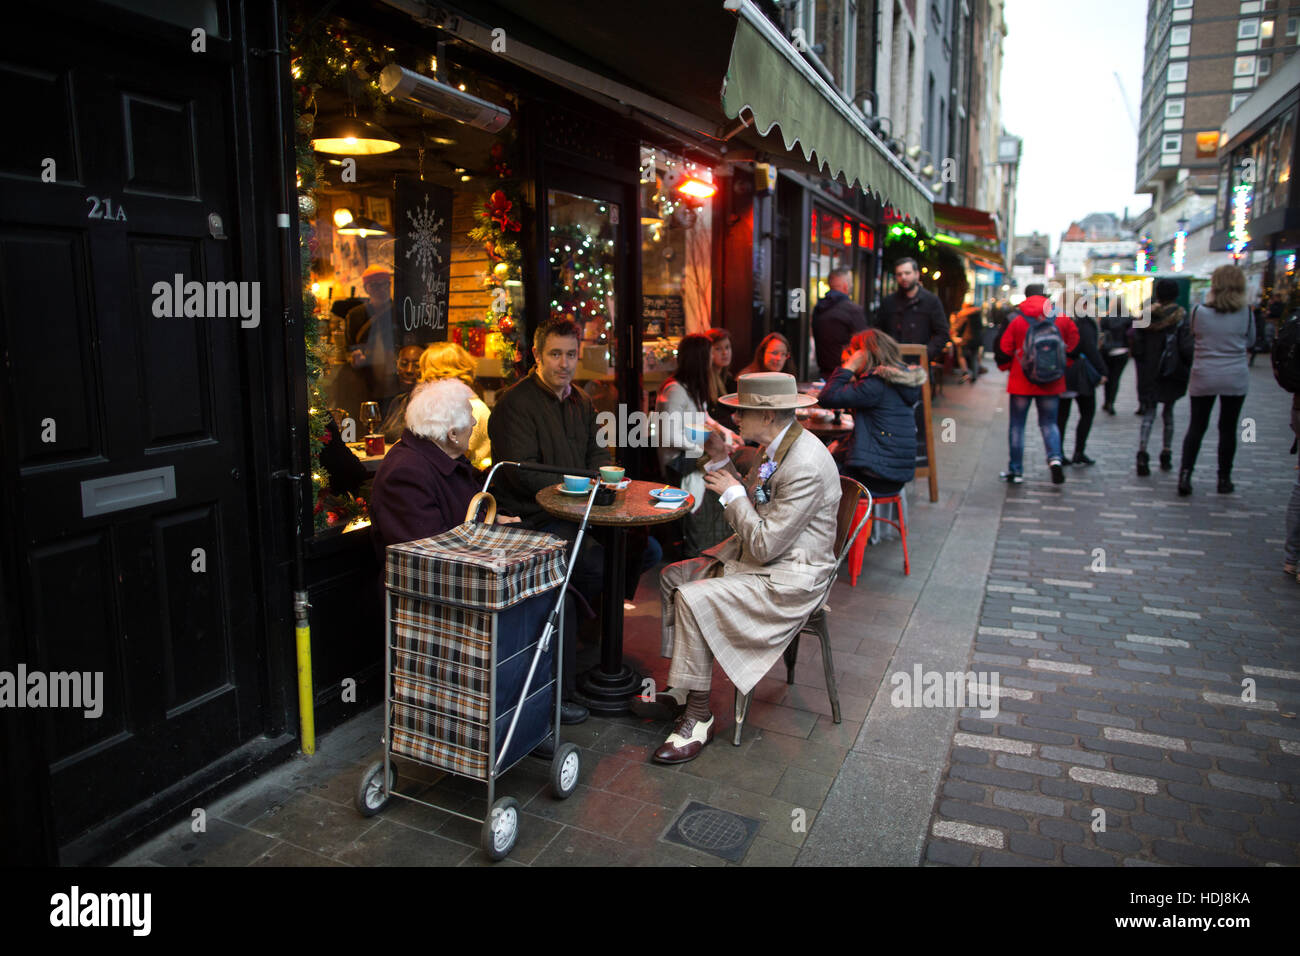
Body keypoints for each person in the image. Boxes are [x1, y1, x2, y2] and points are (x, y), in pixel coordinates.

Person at [641, 373, 841, 764]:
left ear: (766, 417)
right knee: (673, 577)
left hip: (791, 577)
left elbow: (765, 543)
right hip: (764, 559)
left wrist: (732, 494)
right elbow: (756, 500)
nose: (733, 419)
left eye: (740, 411)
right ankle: (682, 689)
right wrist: (720, 461)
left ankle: (699, 718)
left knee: (691, 597)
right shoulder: (776, 447)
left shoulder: (805, 463)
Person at [818, 330, 926, 497]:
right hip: (894, 477)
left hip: (874, 478)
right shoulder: (895, 382)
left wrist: (849, 367)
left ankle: (841, 523)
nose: (850, 357)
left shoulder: (875, 384)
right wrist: (840, 444)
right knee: (829, 459)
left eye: (853, 354)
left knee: (814, 474)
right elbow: (871, 432)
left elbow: (826, 397)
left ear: (864, 355)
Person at [1177, 265, 1253, 496]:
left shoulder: (1199, 312)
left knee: (1197, 425)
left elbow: (1194, 336)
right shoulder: (1246, 313)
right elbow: (1251, 341)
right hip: (1235, 375)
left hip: (1204, 373)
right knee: (1228, 428)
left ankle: (1186, 474)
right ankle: (1223, 478)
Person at [655, 334, 733, 556]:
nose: (712, 361)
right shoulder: (674, 390)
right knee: (717, 468)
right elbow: (668, 436)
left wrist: (728, 435)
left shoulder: (693, 387)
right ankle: (696, 536)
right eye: (710, 355)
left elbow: (705, 417)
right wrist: (706, 445)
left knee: (729, 462)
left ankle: (712, 536)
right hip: (677, 460)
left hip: (691, 453)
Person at [998, 284, 1079, 485]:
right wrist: (1063, 364)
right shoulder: (1061, 318)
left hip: (1021, 381)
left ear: (1026, 297)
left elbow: (1004, 347)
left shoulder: (1017, 319)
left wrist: (1011, 365)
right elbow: (1074, 342)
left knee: (1017, 425)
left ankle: (1016, 471)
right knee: (1049, 423)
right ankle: (1055, 459)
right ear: (1045, 296)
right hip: (1051, 380)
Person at [1132, 279, 1189, 476]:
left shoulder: (1146, 316)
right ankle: (1166, 452)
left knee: (1149, 412)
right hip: (1172, 370)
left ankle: (1142, 451)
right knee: (1168, 413)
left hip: (1150, 369)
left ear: (1158, 294)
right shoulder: (1181, 316)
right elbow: (1186, 347)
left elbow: (1136, 343)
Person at [419, 340, 492, 469]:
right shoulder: (455, 406)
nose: (423, 380)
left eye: (427, 373)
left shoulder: (470, 409)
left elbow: (454, 457)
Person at [1057, 299, 1107, 466]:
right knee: (1087, 411)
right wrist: (1102, 371)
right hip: (1079, 373)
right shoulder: (1084, 323)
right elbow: (1090, 349)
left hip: (1064, 370)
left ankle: (1059, 453)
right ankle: (1078, 451)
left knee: (1062, 415)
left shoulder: (1064, 319)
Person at [874, 257, 949, 363]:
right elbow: (878, 332)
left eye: (907, 273)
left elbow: (942, 333)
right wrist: (884, 354)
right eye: (899, 274)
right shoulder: (888, 302)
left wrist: (926, 354)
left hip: (920, 367)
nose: (903, 277)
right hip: (892, 364)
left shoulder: (931, 301)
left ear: (916, 274)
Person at [344, 264, 399, 398]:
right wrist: (354, 357)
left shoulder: (401, 312)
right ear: (366, 288)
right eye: (374, 285)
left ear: (389, 285)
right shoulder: (354, 315)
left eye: (384, 284)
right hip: (365, 378)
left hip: (396, 377)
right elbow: (348, 348)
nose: (381, 289)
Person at [811, 267, 868, 378]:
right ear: (846, 286)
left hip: (823, 373)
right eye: (851, 282)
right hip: (847, 374)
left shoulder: (818, 308)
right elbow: (865, 344)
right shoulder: (853, 310)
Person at [378, 344, 424, 445]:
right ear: (397, 367)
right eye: (404, 364)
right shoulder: (398, 401)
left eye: (417, 366)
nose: (409, 370)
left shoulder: (428, 406)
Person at [1099, 300, 1132, 415]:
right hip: (1122, 351)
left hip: (1107, 351)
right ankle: (1110, 402)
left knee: (1107, 376)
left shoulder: (1105, 318)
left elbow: (1101, 334)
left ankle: (1107, 401)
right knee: (1115, 378)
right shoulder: (1128, 319)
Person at [705, 328, 739, 431]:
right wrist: (733, 419)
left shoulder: (728, 378)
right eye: (718, 349)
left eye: (727, 347)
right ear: (708, 352)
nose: (725, 353)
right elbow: (707, 422)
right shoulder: (705, 381)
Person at [950, 303, 981, 384]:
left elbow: (959, 327)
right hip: (977, 339)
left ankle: (965, 373)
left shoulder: (965, 315)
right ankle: (974, 375)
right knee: (974, 357)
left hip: (967, 338)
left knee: (961, 355)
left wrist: (956, 331)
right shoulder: (978, 315)